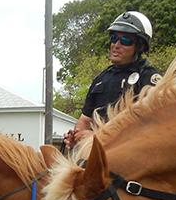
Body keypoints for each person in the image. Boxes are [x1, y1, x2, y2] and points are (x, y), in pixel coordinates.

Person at [64, 11, 162, 150]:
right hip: (95, 158)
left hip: (131, 160)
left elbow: (154, 127)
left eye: (125, 40)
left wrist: (99, 137)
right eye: (114, 38)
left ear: (140, 46)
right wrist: (77, 139)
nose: (116, 45)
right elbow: (85, 119)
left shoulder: (149, 79)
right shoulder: (101, 79)